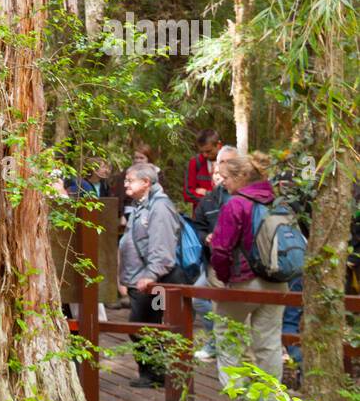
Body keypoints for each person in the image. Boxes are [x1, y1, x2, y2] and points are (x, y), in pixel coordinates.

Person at [208, 152, 289, 388]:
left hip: (244, 280)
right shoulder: (277, 201)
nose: (223, 182)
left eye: (226, 178)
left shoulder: (236, 204)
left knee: (227, 335)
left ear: (242, 176)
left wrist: (224, 278)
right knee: (269, 342)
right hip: (278, 280)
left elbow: (221, 250)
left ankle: (234, 395)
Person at [118, 162, 185, 388]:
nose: (125, 184)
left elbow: (161, 245)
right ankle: (153, 373)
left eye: (130, 180)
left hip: (156, 282)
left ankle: (156, 373)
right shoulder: (141, 205)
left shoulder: (160, 207)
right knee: (145, 326)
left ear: (146, 183)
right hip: (142, 280)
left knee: (144, 326)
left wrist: (152, 274)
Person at [189, 144, 238, 361]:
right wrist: (205, 237)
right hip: (214, 263)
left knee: (230, 308)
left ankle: (231, 352)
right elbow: (198, 226)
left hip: (242, 264)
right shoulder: (210, 199)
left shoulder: (244, 195)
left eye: (230, 162)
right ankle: (215, 341)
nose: (225, 168)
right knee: (200, 298)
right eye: (222, 162)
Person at [183, 129, 222, 213]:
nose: (205, 155)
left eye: (208, 151)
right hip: (200, 218)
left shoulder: (228, 161)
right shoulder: (195, 163)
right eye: (202, 152)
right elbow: (188, 194)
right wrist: (213, 200)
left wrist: (206, 193)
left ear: (218, 145)